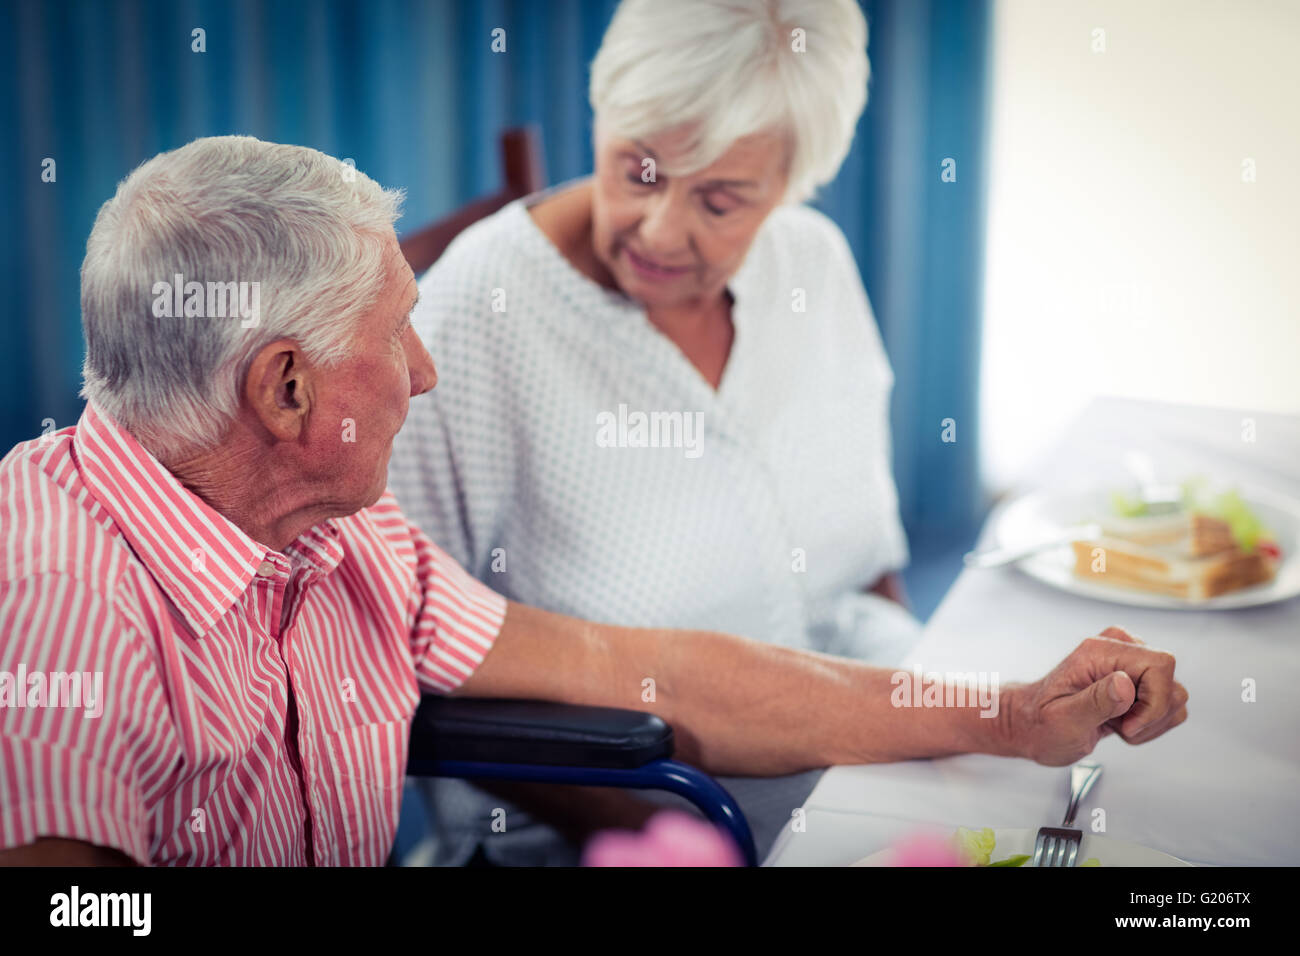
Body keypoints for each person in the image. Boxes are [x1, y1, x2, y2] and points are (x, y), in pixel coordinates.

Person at [0, 135, 1187, 867]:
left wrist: (1009, 712)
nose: (424, 368)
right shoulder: (60, 596)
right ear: (288, 385)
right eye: (396, 330)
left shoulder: (345, 529)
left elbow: (656, 670)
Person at [389, 0, 907, 863]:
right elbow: (406, 659)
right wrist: (695, 845)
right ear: (601, 116)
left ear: (791, 184)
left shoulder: (814, 264)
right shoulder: (479, 310)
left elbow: (873, 570)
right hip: (642, 826)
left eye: (722, 201)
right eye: (639, 170)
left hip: (860, 785)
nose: (661, 232)